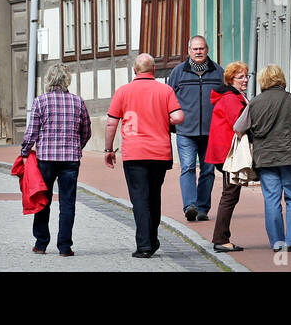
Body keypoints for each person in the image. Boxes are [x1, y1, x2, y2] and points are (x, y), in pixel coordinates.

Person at [104, 54, 183, 258]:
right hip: (159, 152)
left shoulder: (123, 91)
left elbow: (112, 122)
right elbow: (178, 117)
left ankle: (144, 245)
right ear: (154, 70)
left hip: (134, 152)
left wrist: (108, 149)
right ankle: (153, 238)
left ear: (134, 70)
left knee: (139, 198)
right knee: (153, 196)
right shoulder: (165, 90)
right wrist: (163, 118)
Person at [234, 64, 291, 252]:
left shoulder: (255, 103)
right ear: (281, 80)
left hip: (265, 158)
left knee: (272, 199)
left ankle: (278, 243)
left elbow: (238, 128)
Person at [19, 61, 92, 257]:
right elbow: (86, 131)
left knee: (43, 199)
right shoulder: (78, 102)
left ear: (49, 80)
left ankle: (41, 243)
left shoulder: (40, 102)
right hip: (70, 159)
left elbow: (31, 132)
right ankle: (65, 247)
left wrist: (25, 153)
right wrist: (77, 146)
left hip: (46, 159)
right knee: (68, 202)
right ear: (67, 80)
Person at [168, 36, 223, 222]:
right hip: (186, 131)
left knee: (208, 171)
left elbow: (224, 100)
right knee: (188, 168)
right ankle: (190, 205)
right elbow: (169, 99)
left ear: (207, 50)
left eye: (201, 48)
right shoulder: (178, 72)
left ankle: (202, 208)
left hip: (211, 132)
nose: (198, 52)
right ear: (188, 50)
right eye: (195, 49)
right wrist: (172, 123)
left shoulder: (218, 72)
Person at [204, 61, 250, 252]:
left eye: (246, 76)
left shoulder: (233, 96)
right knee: (230, 195)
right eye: (240, 77)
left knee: (230, 194)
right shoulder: (231, 98)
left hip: (225, 151)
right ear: (231, 79)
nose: (245, 79)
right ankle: (221, 239)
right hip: (229, 153)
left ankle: (221, 238)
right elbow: (240, 125)